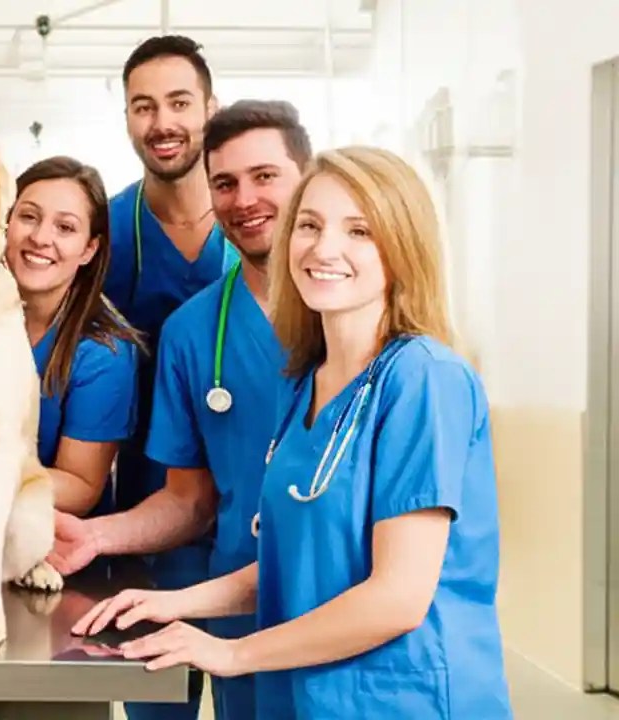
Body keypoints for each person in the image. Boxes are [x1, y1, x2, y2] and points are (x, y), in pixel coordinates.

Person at [75, 146, 512, 719]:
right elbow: (294, 561)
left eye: (359, 230)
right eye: (310, 225)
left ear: (403, 248)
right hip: (315, 693)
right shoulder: (309, 381)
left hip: (405, 699)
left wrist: (232, 652)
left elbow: (397, 599)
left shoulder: (425, 380)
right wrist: (174, 603)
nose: (324, 248)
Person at [62, 100, 312, 720]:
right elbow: (190, 499)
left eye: (265, 176)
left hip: (340, 595)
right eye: (223, 183)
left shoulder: (361, 322)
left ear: (307, 178)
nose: (243, 199)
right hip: (237, 603)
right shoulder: (192, 333)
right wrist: (93, 535)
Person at [5, 156, 144, 518]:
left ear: (89, 249)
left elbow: (79, 486)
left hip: (57, 553)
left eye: (65, 227)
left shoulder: (103, 352)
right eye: (28, 217)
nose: (40, 238)